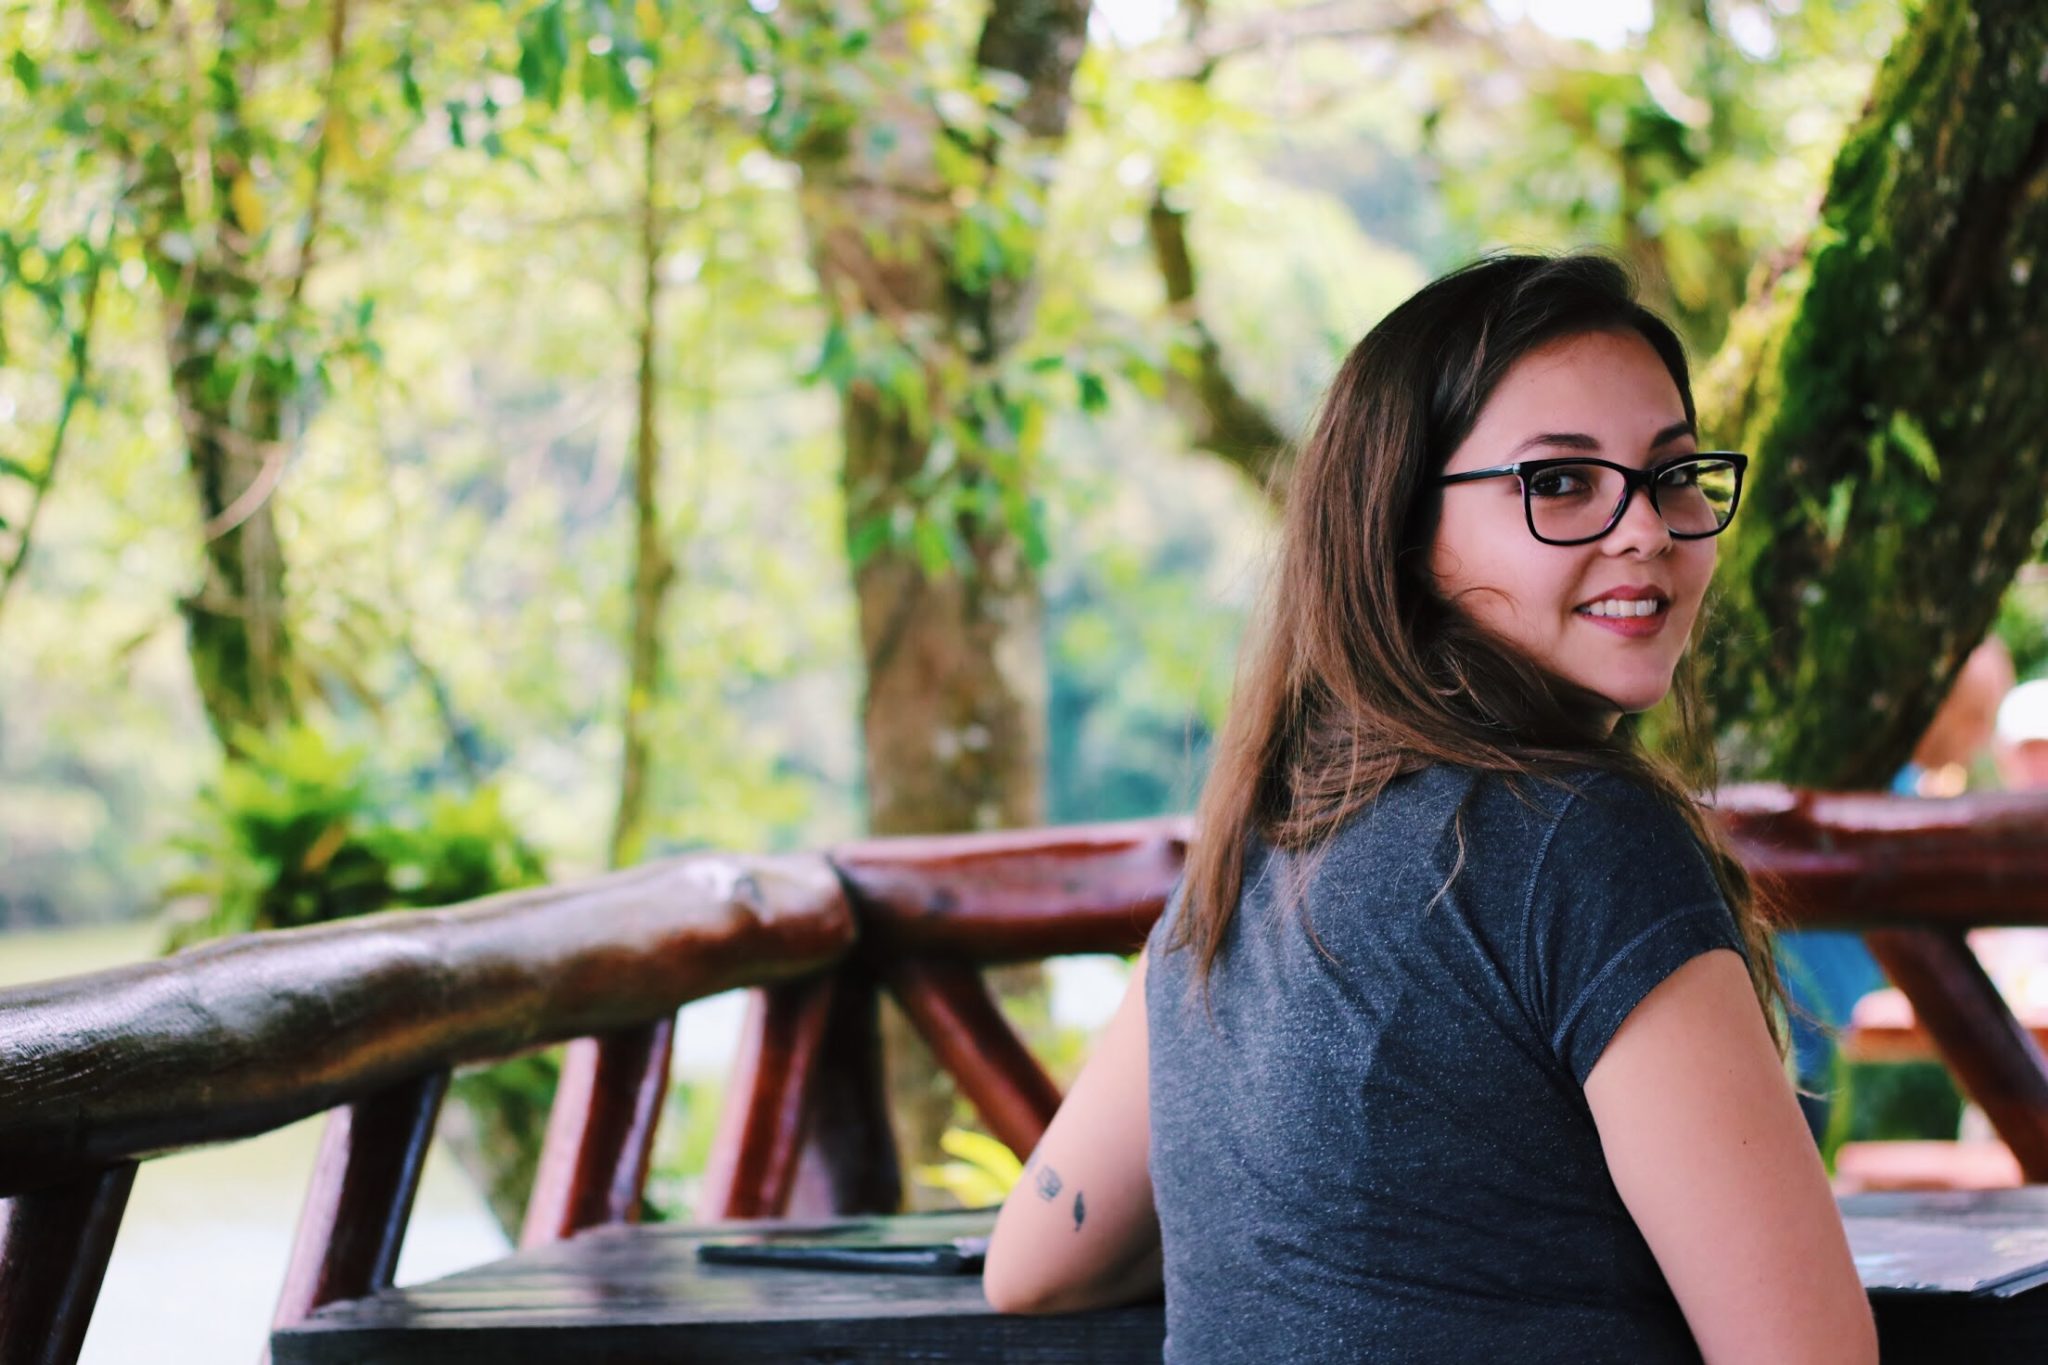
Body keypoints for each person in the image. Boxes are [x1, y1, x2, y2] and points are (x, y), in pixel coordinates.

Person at [981, 253, 1876, 1364]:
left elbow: (1034, 1260)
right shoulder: (1580, 842)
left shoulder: (1264, 843)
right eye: (1558, 483)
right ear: (1402, 532)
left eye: (1672, 473)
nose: (1645, 528)